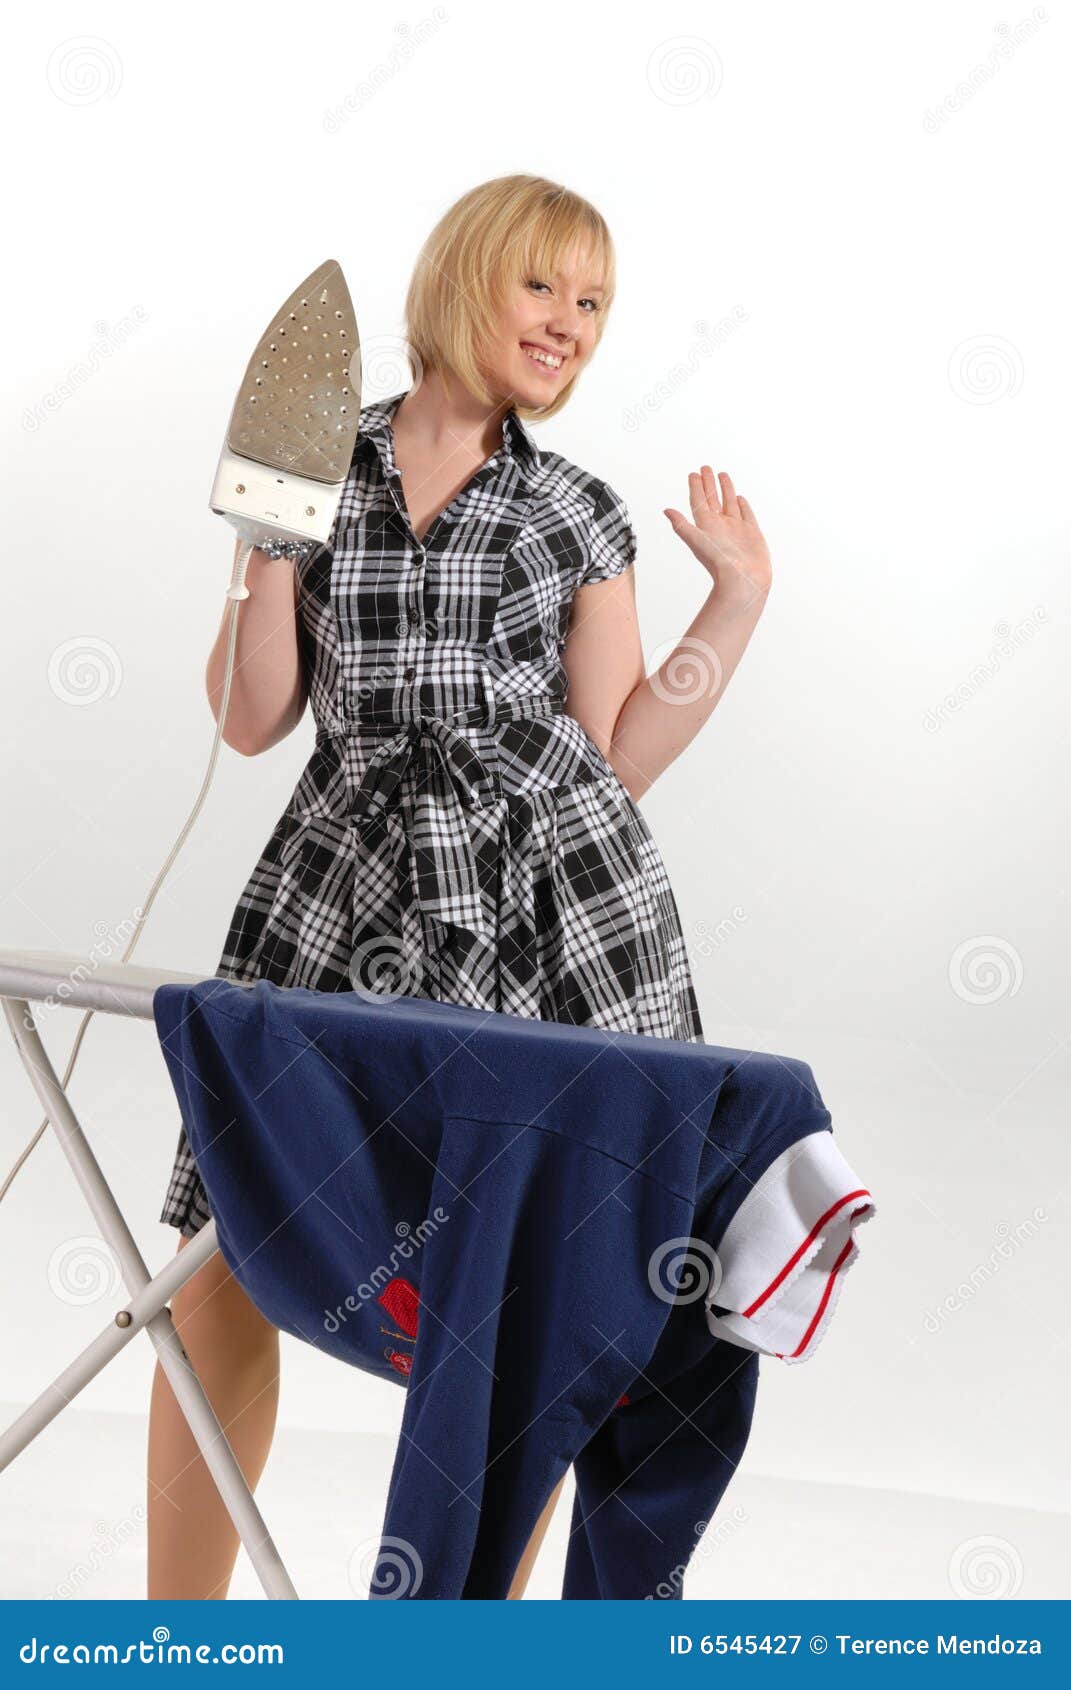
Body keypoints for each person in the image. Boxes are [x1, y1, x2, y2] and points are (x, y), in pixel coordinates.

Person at [146, 172, 773, 1600]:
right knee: (223, 1251)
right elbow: (250, 720)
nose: (570, 324)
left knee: (536, 1288)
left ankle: (458, 1638)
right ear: (465, 278)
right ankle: (172, 1630)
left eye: (595, 303)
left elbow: (618, 753)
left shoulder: (575, 509)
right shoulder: (320, 462)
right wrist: (261, 547)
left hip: (553, 906)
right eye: (543, 286)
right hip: (338, 885)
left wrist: (731, 607)